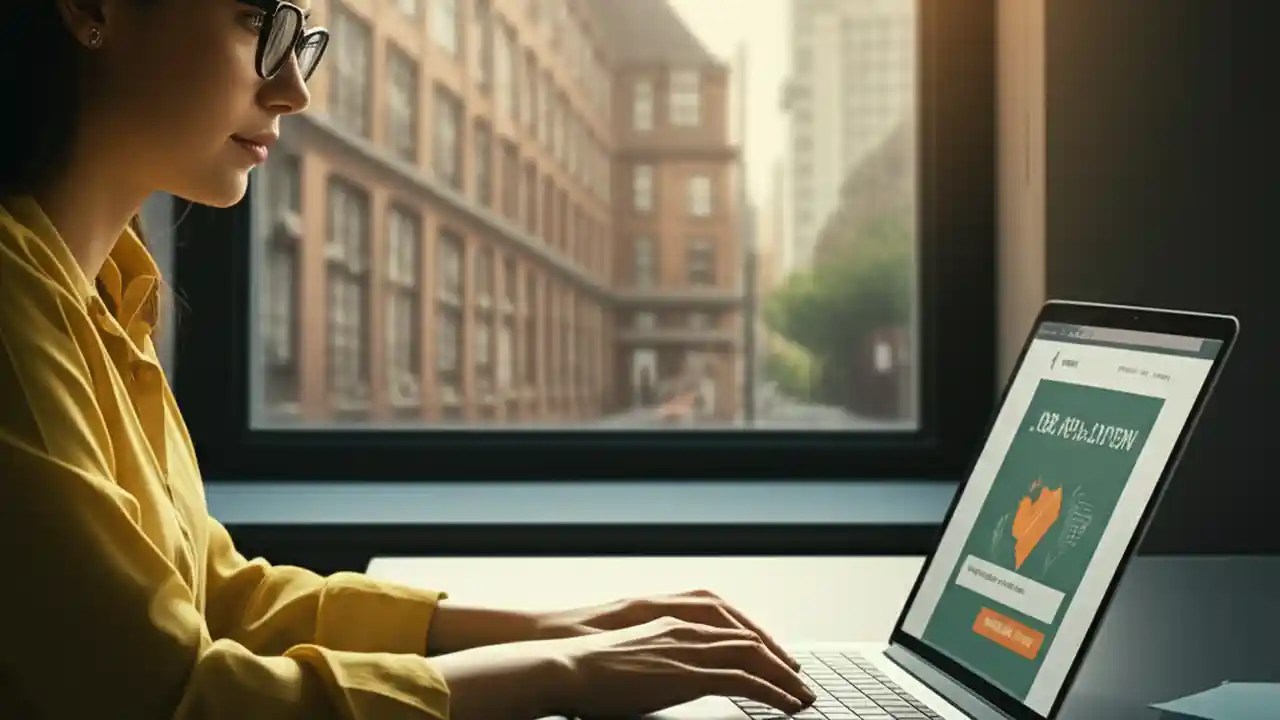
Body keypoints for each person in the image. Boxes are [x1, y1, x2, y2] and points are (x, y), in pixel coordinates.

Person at [0, 1, 818, 718]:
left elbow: (217, 595)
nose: (295, 88)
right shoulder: (12, 309)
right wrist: (553, 673)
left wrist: (557, 627)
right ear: (90, 7)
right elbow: (176, 701)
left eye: (301, 38)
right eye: (257, 21)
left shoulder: (101, 295)